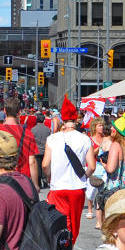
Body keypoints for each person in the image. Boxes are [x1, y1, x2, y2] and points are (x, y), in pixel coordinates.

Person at [41, 96, 93, 240]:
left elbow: (45, 164)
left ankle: (58, 248)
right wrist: (84, 176)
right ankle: (69, 247)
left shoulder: (52, 139)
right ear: (76, 119)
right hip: (77, 188)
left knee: (57, 221)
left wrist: (49, 176)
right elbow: (92, 166)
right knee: (74, 223)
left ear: (62, 119)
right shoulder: (85, 139)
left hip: (57, 187)